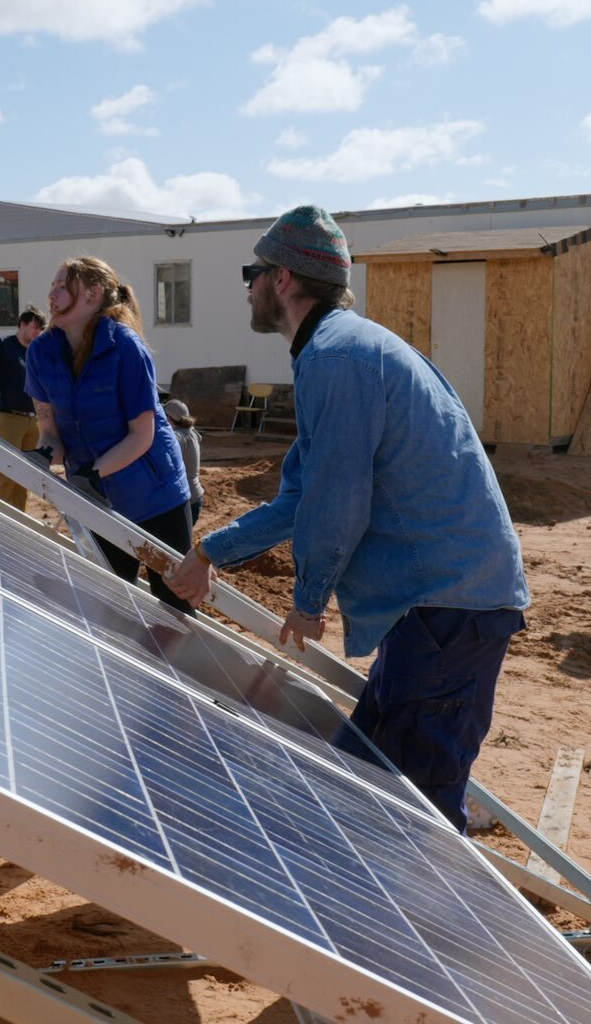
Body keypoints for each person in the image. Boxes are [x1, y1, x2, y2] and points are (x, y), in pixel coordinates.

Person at [166, 205, 529, 833]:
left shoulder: (336, 359)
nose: (248, 287)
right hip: (436, 607)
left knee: (415, 811)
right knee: (363, 777)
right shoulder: (341, 351)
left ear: (281, 279)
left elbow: (338, 504)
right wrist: (209, 555)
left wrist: (309, 601)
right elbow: (302, 497)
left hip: (447, 609)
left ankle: (436, 928)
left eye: (252, 273)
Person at [26, 258, 195, 614]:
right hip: (96, 497)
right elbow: (49, 431)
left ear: (93, 294)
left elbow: (142, 434)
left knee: (174, 601)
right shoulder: (41, 353)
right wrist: (45, 453)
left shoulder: (126, 348)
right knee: (110, 602)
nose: (51, 295)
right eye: (52, 287)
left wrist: (94, 472)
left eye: (61, 287)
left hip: (155, 494)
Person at [0, 307, 48, 511]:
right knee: (9, 469)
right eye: (35, 327)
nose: (38, 333)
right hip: (9, 417)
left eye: (42, 329)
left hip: (34, 419)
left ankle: (19, 519)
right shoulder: (2, 346)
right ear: (22, 323)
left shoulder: (36, 351)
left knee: (26, 472)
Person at [164, 398, 204, 524]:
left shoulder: (177, 437)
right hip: (194, 497)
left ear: (169, 419)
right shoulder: (191, 433)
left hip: (184, 501)